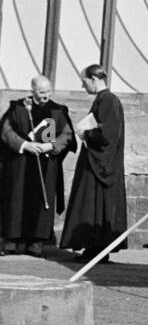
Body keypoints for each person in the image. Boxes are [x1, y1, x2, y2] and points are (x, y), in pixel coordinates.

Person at [1, 76, 76, 256]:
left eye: (49, 91)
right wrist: (25, 145)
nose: (46, 96)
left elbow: (67, 134)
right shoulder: (18, 108)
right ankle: (12, 242)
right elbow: (6, 131)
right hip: (21, 165)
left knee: (43, 203)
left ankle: (36, 243)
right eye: (42, 92)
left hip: (46, 164)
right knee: (17, 200)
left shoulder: (57, 111)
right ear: (33, 90)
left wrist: (50, 146)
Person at [59, 65, 127, 261]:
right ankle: (95, 248)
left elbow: (107, 134)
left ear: (94, 79)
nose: (82, 85)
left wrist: (85, 133)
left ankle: (96, 248)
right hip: (95, 161)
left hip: (99, 164)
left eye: (85, 80)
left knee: (94, 203)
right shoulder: (105, 100)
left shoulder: (108, 100)